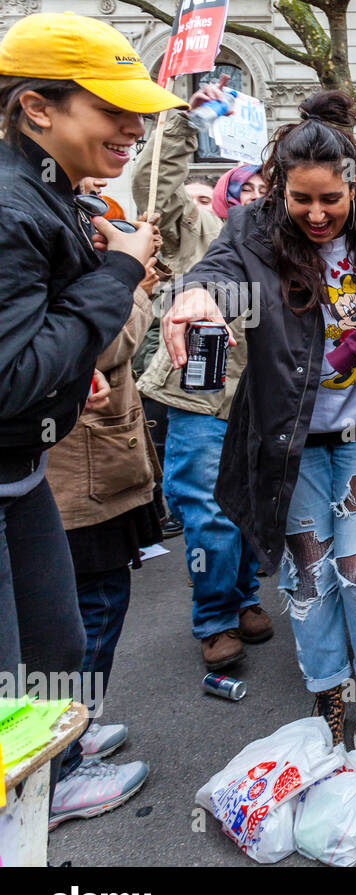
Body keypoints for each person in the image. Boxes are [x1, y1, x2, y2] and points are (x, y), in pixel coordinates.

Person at [161, 90, 356, 748]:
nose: (315, 213)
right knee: (309, 572)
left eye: (329, 200)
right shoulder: (252, 227)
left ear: (351, 185)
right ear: (280, 189)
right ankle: (326, 688)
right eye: (300, 199)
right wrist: (195, 293)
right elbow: (215, 271)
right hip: (293, 439)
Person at [0, 13, 170, 789]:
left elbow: (40, 348)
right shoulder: (12, 208)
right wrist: (120, 275)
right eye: (110, 107)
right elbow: (11, 375)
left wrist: (73, 375)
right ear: (39, 107)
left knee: (58, 653)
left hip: (24, 468)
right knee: (12, 700)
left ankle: (49, 774)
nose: (133, 126)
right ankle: (34, 798)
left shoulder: (50, 195)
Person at [134, 77, 270, 670]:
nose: (255, 197)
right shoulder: (198, 232)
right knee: (206, 509)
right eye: (244, 189)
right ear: (224, 198)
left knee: (247, 507)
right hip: (202, 389)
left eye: (266, 188)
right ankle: (214, 618)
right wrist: (183, 122)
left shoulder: (292, 245)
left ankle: (244, 598)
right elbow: (153, 191)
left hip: (262, 401)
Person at [45, 237, 162, 827]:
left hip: (86, 477)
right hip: (73, 484)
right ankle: (55, 773)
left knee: (88, 614)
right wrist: (134, 282)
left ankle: (70, 737)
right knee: (83, 621)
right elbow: (104, 343)